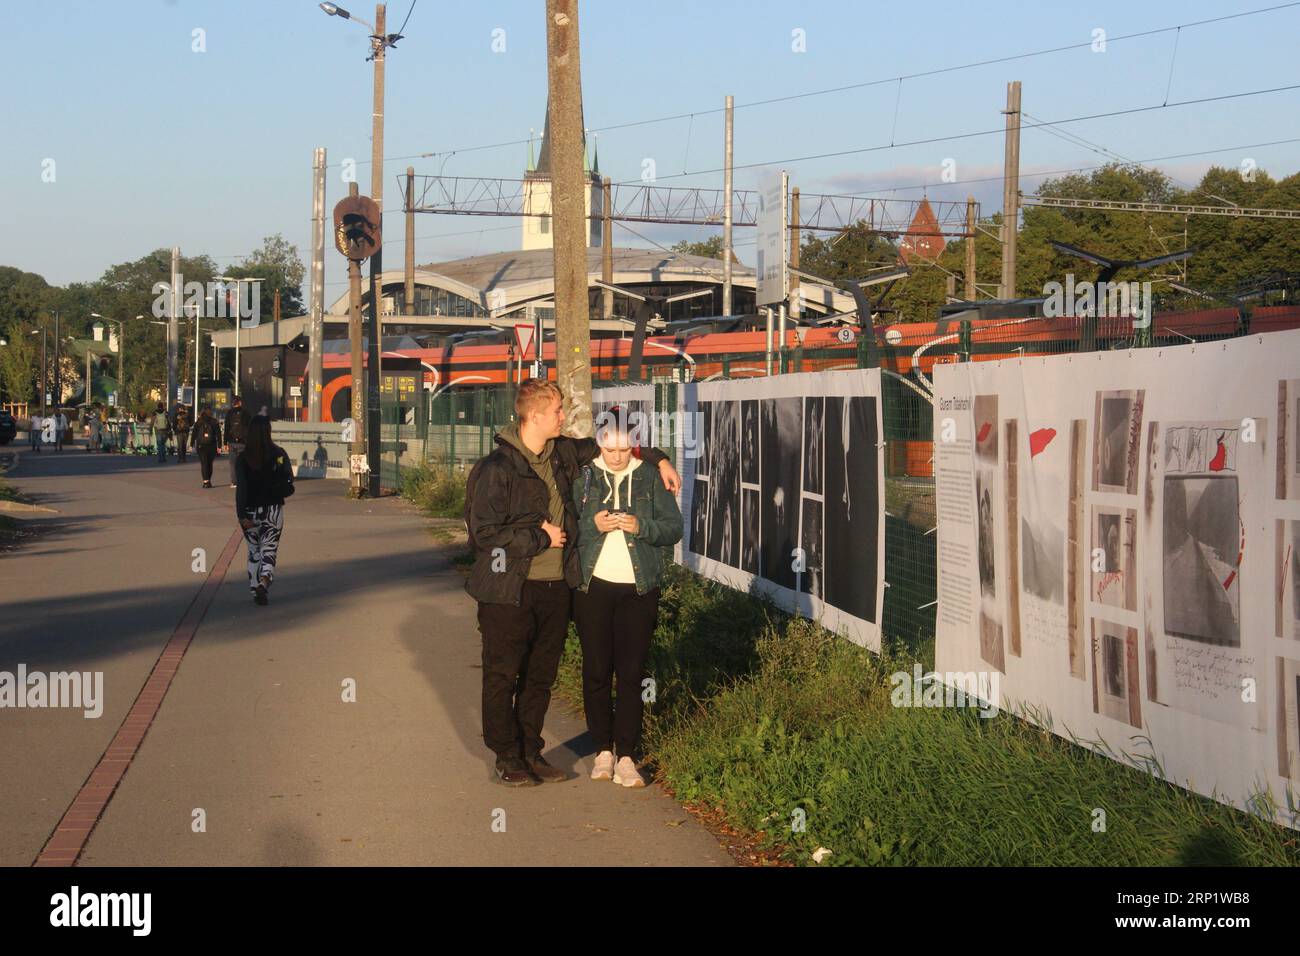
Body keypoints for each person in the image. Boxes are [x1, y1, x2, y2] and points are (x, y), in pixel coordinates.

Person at [464, 380, 680, 787]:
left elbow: (615, 444)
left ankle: (530, 749)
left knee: (540, 676)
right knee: (502, 674)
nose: (565, 417)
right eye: (558, 410)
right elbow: (483, 535)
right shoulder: (496, 469)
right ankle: (507, 756)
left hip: (555, 587)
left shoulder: (562, 451)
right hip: (508, 590)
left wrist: (661, 458)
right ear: (535, 415)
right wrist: (540, 536)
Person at [573, 412, 683, 788]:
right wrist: (594, 525)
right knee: (597, 669)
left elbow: (674, 528)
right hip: (593, 587)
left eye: (623, 447)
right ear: (598, 442)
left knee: (632, 672)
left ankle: (628, 756)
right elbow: (570, 525)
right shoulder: (584, 475)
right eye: (609, 447)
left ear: (635, 444)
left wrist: (641, 526)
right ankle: (603, 749)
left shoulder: (650, 475)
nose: (616, 455)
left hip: (639, 588)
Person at [235, 415, 295, 606]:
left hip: (250, 511)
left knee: (254, 551)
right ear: (268, 432)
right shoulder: (279, 454)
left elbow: (242, 489)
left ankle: (254, 589)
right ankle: (264, 582)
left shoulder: (243, 459)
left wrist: (241, 515)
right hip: (273, 510)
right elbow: (289, 480)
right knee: (269, 549)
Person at [192, 405, 222, 488]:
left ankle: (206, 481)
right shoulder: (214, 422)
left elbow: (194, 433)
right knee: (209, 463)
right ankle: (208, 479)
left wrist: (191, 444)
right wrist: (219, 445)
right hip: (212, 445)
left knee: (203, 463)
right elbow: (218, 434)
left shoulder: (199, 421)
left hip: (201, 445)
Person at [224, 396, 250, 488]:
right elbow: (249, 428)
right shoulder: (246, 413)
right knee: (243, 462)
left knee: (233, 463)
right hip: (243, 442)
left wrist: (224, 443)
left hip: (231, 441)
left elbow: (226, 428)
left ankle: (234, 482)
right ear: (240, 403)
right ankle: (243, 480)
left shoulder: (229, 413)